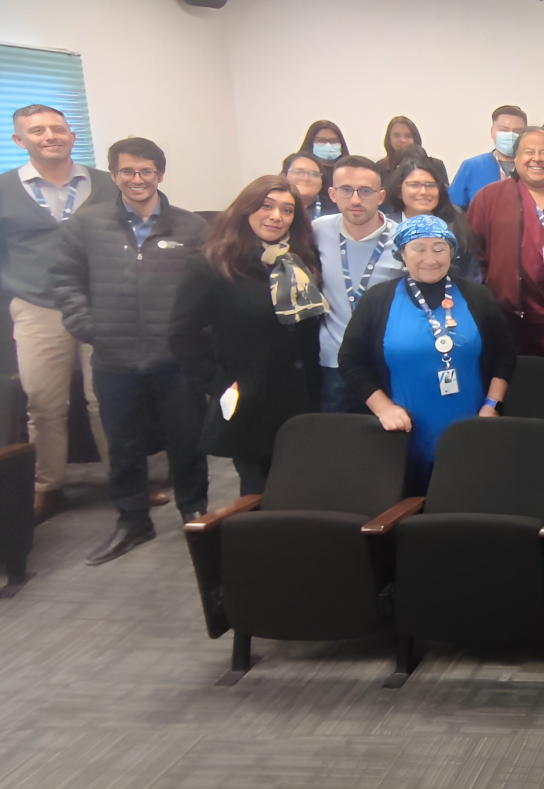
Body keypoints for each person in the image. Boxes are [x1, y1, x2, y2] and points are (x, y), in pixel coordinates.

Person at [49, 137, 209, 565]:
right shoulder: (86, 225)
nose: (137, 180)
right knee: (122, 446)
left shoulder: (191, 227)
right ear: (114, 174)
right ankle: (132, 521)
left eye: (146, 171)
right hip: (114, 358)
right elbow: (64, 280)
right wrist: (89, 328)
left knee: (188, 443)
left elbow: (211, 287)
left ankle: (196, 513)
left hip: (176, 360)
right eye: (127, 172)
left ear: (160, 174)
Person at [0, 104, 116, 520]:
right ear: (20, 141)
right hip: (37, 307)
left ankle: (125, 480)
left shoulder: (107, 184)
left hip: (103, 305)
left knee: (107, 399)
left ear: (72, 136)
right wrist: (21, 285)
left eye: (58, 128)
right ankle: (47, 485)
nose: (50, 135)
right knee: (43, 402)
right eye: (37, 131)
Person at [168, 175, 326, 499]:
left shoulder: (301, 261)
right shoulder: (212, 265)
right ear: (245, 210)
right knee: (259, 493)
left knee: (302, 485)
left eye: (286, 210)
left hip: (302, 397)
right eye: (266, 206)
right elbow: (182, 334)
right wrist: (221, 386)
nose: (276, 216)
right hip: (252, 399)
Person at [338, 216, 514, 493]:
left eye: (439, 248)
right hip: (402, 436)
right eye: (419, 248)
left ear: (451, 253)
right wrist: (384, 409)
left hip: (473, 431)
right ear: (402, 254)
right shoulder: (377, 299)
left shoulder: (477, 296)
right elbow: (350, 361)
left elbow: (504, 356)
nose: (430, 258)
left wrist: (492, 405)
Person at [466, 127, 544, 356]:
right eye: (529, 151)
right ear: (517, 158)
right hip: (506, 315)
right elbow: (473, 256)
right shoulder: (488, 198)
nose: (537, 158)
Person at [313, 155, 402, 414]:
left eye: (365, 191)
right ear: (332, 193)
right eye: (345, 190)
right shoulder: (317, 231)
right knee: (338, 442)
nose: (355, 200)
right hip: (333, 363)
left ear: (381, 196)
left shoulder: (403, 239)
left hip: (386, 360)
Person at [386, 154, 480, 282]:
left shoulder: (457, 227)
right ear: (398, 191)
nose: (424, 192)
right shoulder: (385, 228)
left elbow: (471, 277)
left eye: (430, 185)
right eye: (414, 185)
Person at [450, 105, 529, 209]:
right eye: (504, 130)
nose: (510, 135)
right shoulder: (472, 166)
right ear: (492, 132)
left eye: (517, 132)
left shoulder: (536, 167)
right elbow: (454, 209)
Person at [379, 115, 446, 181]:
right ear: (389, 138)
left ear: (415, 138)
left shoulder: (436, 165)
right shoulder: (380, 167)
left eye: (408, 136)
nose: (402, 140)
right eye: (396, 135)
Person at [284, 152, 335, 219]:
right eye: (298, 172)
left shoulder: (337, 213)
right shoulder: (268, 206)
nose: (306, 178)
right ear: (283, 176)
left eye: (314, 174)